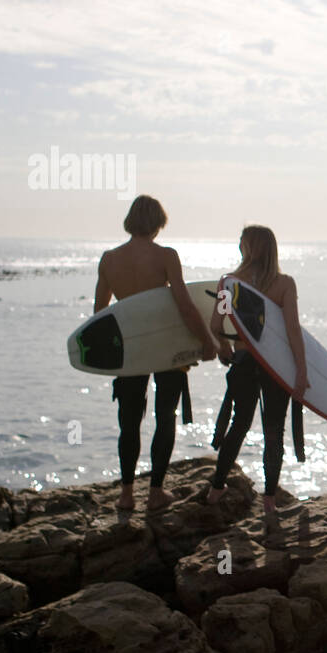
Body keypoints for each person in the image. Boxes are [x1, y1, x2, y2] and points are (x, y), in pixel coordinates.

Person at [94, 195, 218, 511]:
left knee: (129, 423)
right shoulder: (166, 256)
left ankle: (125, 495)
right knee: (165, 418)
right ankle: (155, 493)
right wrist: (206, 341)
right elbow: (185, 305)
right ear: (158, 222)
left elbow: (99, 314)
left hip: (131, 348)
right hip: (167, 346)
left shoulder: (109, 259)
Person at [207, 225, 309, 511]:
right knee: (274, 431)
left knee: (239, 424)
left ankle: (216, 489)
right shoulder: (284, 284)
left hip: (244, 362)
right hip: (275, 367)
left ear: (248, 247)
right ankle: (269, 501)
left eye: (242, 242)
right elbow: (292, 331)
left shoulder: (230, 282)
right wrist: (301, 371)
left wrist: (224, 348)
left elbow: (216, 326)